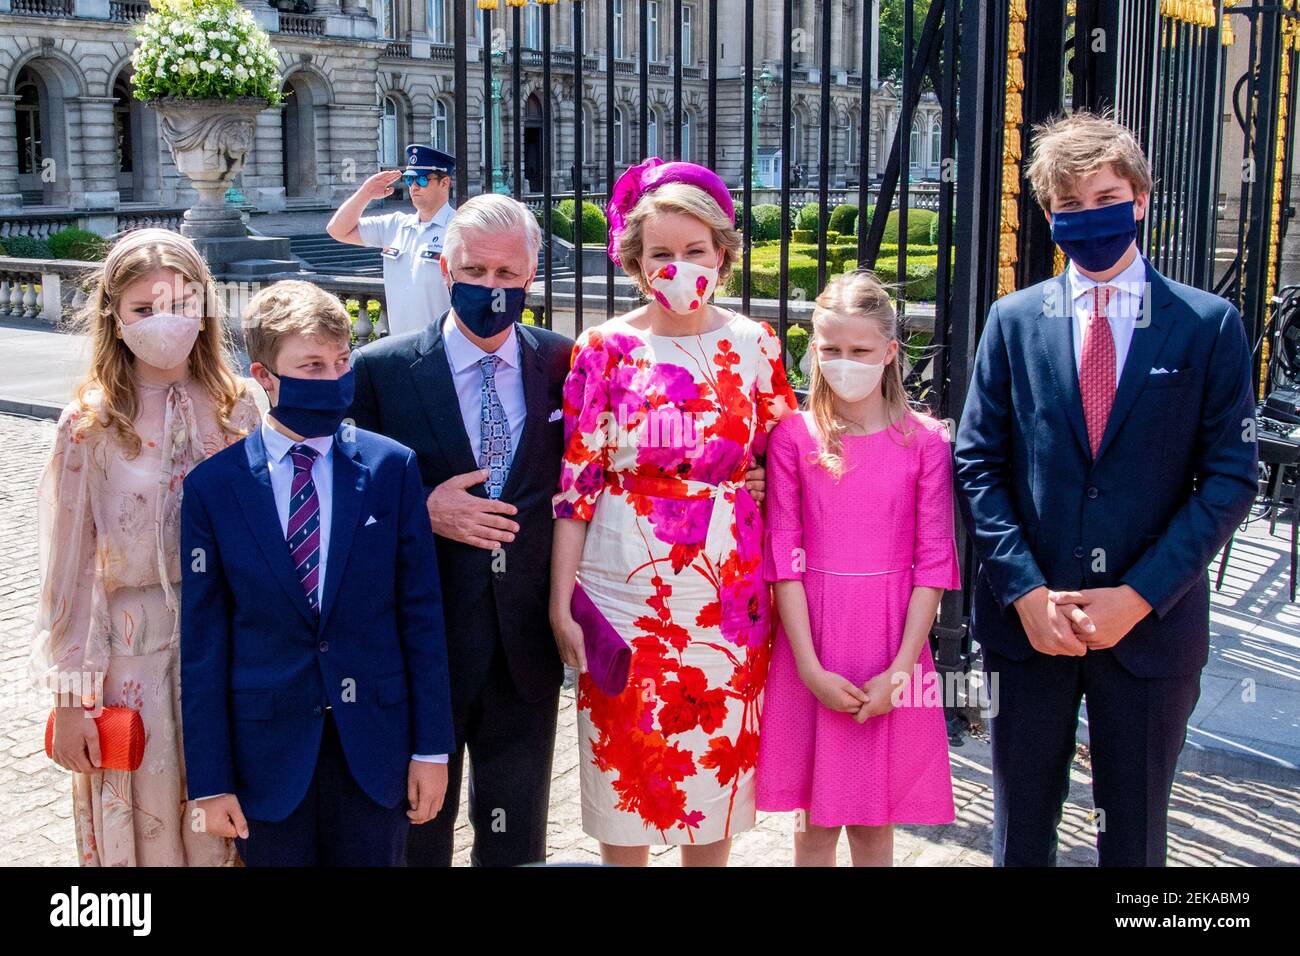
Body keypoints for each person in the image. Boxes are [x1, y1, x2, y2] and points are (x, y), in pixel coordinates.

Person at [953, 110, 1259, 866]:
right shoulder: (1014, 320)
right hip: (1031, 631)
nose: (1089, 217)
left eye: (1106, 197)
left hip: (1151, 631)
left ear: (1141, 198)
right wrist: (1024, 591)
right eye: (1069, 205)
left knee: (1136, 838)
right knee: (1021, 833)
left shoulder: (1207, 325)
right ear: (1048, 214)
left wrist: (1141, 594)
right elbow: (976, 462)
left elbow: (1229, 478)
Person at [549, 157, 799, 866]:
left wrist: (754, 483)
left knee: (710, 781)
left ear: (722, 253)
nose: (680, 265)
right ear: (635, 260)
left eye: (696, 251)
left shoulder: (755, 346)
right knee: (625, 780)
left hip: (730, 599)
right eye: (662, 253)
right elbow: (576, 487)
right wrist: (560, 601)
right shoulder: (604, 350)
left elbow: (785, 464)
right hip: (622, 589)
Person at [180, 280, 454, 866]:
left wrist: (432, 749)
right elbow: (205, 644)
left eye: (341, 362)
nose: (332, 379)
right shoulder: (213, 488)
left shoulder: (390, 467)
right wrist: (210, 780)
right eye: (311, 365)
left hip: (376, 751)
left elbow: (421, 614)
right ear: (264, 375)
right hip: (267, 762)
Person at [348, 193, 571, 867]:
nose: (492, 289)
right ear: (446, 266)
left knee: (514, 840)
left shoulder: (565, 365)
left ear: (531, 276)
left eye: (508, 275)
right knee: (416, 836)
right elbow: (338, 499)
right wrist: (419, 507)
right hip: (423, 648)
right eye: (476, 271)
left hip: (524, 651)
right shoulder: (380, 372)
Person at [30, 227, 259, 866]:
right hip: (132, 664)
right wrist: (72, 700)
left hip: (234, 653)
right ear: (114, 314)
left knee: (230, 833)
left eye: (183, 304)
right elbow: (69, 574)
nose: (166, 322)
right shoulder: (90, 425)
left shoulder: (240, 411)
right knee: (150, 833)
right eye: (144, 309)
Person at [756, 270, 961, 866]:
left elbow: (934, 562)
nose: (844, 362)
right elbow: (783, 560)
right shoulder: (794, 438)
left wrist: (901, 668)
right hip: (811, 639)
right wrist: (810, 667)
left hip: (891, 639)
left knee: (876, 822)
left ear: (891, 352)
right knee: (813, 821)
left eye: (860, 350)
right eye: (831, 350)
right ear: (813, 351)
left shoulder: (924, 442)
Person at [326, 143, 456, 338]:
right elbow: (337, 230)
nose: (413, 186)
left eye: (421, 179)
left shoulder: (460, 228)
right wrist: (366, 193)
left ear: (444, 183)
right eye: (410, 179)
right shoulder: (395, 224)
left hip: (442, 345)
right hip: (400, 346)